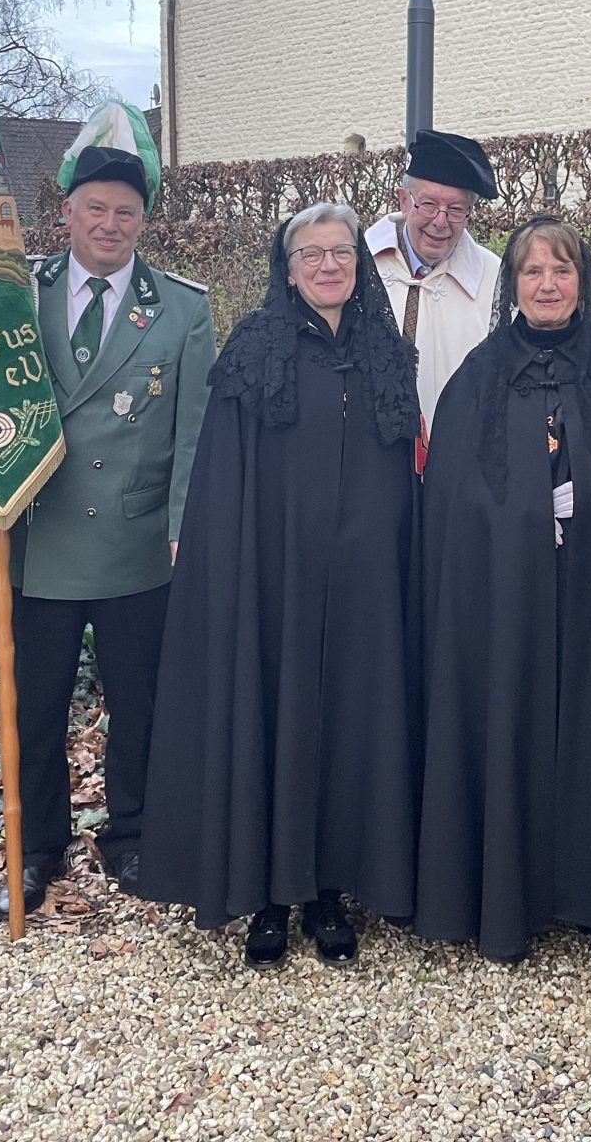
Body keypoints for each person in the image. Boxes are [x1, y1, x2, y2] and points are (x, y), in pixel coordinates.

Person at [141, 202, 423, 967]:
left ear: (360, 267)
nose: (328, 267)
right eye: (312, 254)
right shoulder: (254, 348)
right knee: (274, 718)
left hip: (367, 585)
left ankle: (331, 889)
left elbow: (403, 473)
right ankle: (267, 895)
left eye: (341, 253)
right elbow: (223, 474)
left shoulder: (386, 352)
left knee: (349, 727)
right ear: (288, 266)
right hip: (276, 578)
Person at [414, 217, 591, 967]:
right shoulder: (477, 381)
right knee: (506, 722)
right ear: (513, 286)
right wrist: (522, 511)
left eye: (562, 271)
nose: (548, 284)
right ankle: (504, 900)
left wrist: (587, 499)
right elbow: (454, 502)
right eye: (532, 272)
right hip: (503, 600)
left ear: (582, 282)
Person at [1, 102, 216, 915]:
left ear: (144, 220)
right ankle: (37, 847)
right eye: (96, 208)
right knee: (36, 709)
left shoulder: (183, 310)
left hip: (135, 546)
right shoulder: (17, 296)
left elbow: (194, 435)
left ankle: (133, 835)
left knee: (141, 706)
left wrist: (180, 530)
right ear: (67, 212)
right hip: (41, 537)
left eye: (126, 212)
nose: (110, 224)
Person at [366, 129, 502, 430]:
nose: (440, 222)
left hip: (457, 459)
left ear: (469, 214)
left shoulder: (496, 282)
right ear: (403, 200)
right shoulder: (358, 268)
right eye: (428, 205)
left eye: (455, 210)